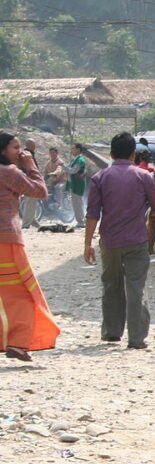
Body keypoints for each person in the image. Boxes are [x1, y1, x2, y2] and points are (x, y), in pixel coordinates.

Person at [83, 132, 155, 350]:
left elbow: (92, 213)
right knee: (136, 286)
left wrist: (87, 243)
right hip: (137, 239)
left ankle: (112, 332)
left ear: (111, 154)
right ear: (133, 154)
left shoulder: (99, 178)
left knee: (111, 284)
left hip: (110, 241)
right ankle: (136, 338)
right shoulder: (143, 176)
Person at [0, 131, 59, 361]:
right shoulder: (8, 172)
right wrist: (30, 163)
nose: (20, 152)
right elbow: (40, 191)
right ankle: (18, 341)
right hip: (7, 240)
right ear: (3, 150)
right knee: (24, 293)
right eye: (15, 147)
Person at [65, 144, 88, 228]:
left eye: (73, 148)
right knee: (77, 203)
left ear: (78, 150)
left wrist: (63, 166)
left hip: (78, 184)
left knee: (77, 203)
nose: (72, 150)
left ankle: (81, 221)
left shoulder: (80, 160)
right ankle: (81, 220)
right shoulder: (75, 160)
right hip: (75, 183)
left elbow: (73, 171)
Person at [19, 138, 40, 230]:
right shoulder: (27, 155)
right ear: (31, 145)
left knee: (32, 201)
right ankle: (26, 223)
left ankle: (32, 220)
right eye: (34, 144)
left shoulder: (27, 154)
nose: (35, 146)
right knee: (30, 201)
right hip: (30, 181)